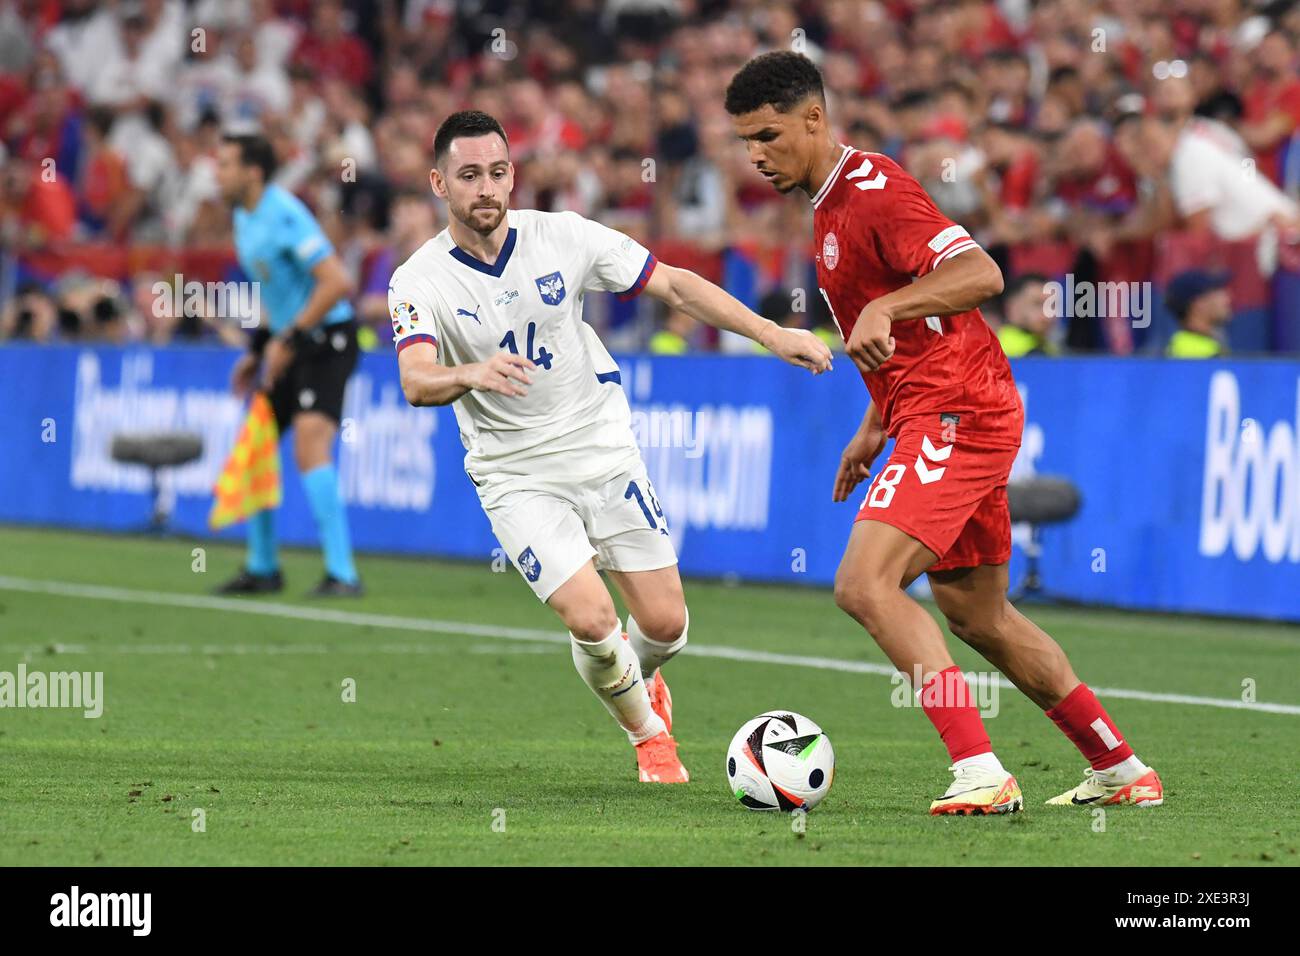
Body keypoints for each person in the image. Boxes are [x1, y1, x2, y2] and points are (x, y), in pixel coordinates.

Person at [725, 52, 1162, 814]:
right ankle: (1122, 769)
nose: (757, 155)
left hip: (959, 410)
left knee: (865, 585)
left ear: (814, 118)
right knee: (978, 613)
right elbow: (903, 332)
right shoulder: (828, 204)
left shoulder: (875, 191)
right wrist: (873, 423)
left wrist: (885, 311)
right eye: (744, 142)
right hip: (936, 406)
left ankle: (981, 772)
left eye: (767, 135)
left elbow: (982, 273)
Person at [390, 110, 831, 784]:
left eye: (498, 172)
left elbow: (676, 285)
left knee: (666, 623)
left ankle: (637, 677)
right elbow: (417, 381)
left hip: (601, 445)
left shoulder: (563, 237)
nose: (486, 188)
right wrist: (468, 373)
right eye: (469, 175)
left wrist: (772, 334)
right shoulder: (418, 281)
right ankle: (649, 739)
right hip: (514, 471)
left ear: (514, 175)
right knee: (593, 618)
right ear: (439, 183)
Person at [214, 133, 363, 597]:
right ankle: (263, 567)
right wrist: (258, 350)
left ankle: (343, 574)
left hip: (326, 342)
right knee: (257, 443)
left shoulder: (284, 214)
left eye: (225, 165)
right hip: (289, 343)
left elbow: (337, 281)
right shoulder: (243, 216)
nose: (217, 174)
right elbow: (275, 290)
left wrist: (291, 338)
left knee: (309, 447)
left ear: (253, 172)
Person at [1165, 270, 1232, 357]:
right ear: (1198, 303)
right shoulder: (1191, 353)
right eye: (1217, 292)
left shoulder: (1201, 345)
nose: (1227, 299)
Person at [995, 273, 1057, 357]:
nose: (1048, 313)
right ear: (1013, 308)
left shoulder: (1049, 347)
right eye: (1037, 304)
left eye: (1052, 305)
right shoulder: (997, 349)